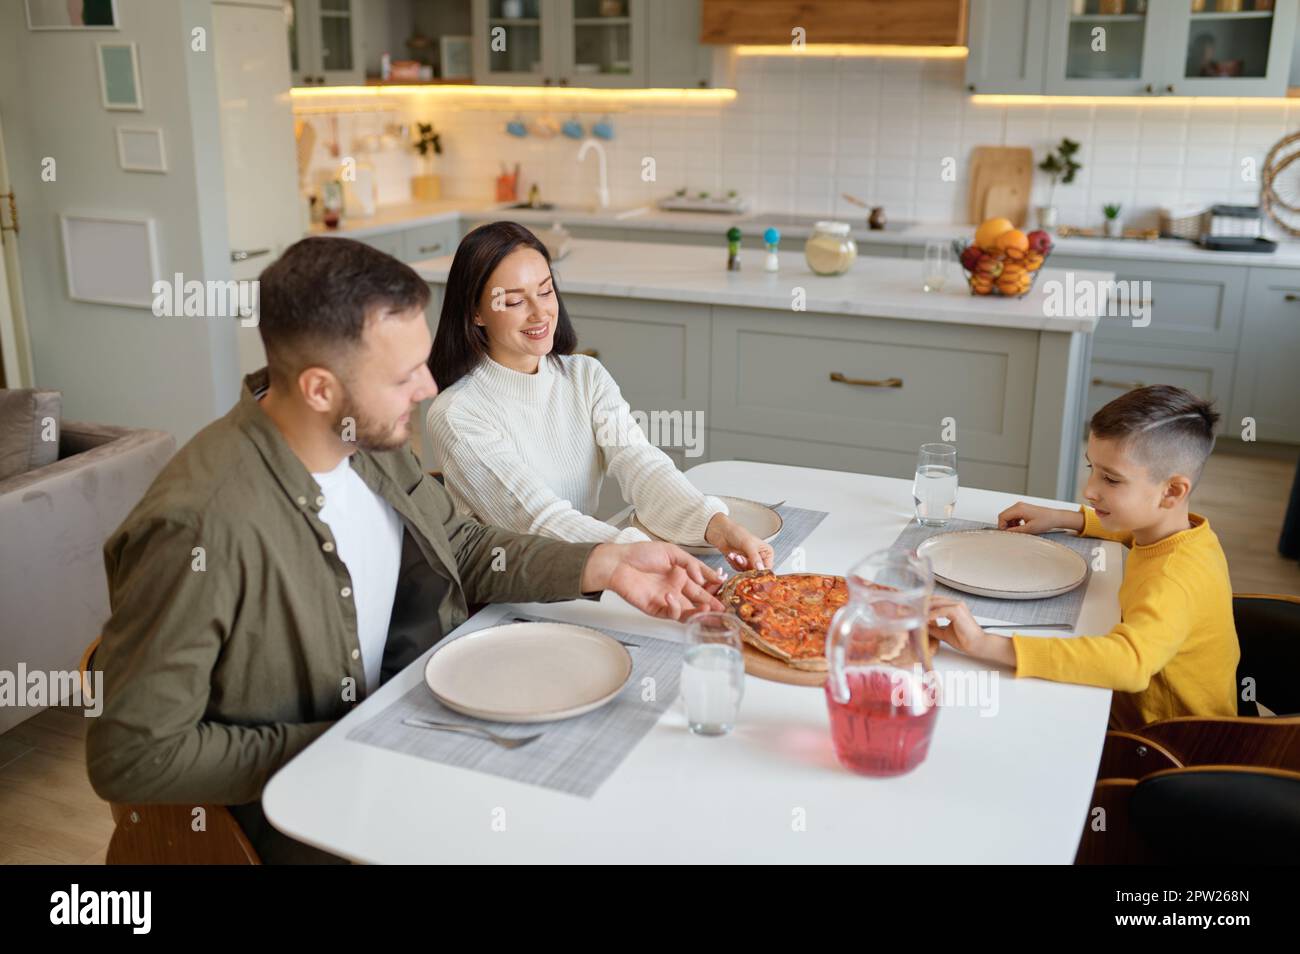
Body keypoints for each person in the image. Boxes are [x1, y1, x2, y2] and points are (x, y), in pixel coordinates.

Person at [86, 237, 723, 863]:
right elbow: (135, 757)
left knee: (629, 788)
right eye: (401, 376)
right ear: (318, 388)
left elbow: (464, 546)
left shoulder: (368, 446)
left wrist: (603, 563)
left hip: (411, 734)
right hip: (303, 815)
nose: (426, 389)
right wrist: (355, 737)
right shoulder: (200, 526)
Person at [426, 221, 773, 572]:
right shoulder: (459, 413)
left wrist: (716, 525)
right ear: (475, 312)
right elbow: (537, 521)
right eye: (514, 300)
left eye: (546, 292)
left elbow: (641, 464)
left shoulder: (584, 377)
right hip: (511, 593)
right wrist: (638, 552)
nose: (539, 312)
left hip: (591, 573)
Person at [927, 385, 1240, 730]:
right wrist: (1064, 518)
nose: (1089, 489)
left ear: (1171, 491)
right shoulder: (1183, 533)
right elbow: (1131, 531)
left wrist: (985, 643)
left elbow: (1129, 664)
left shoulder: (1174, 578)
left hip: (1162, 744)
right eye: (1092, 468)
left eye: (1111, 479)